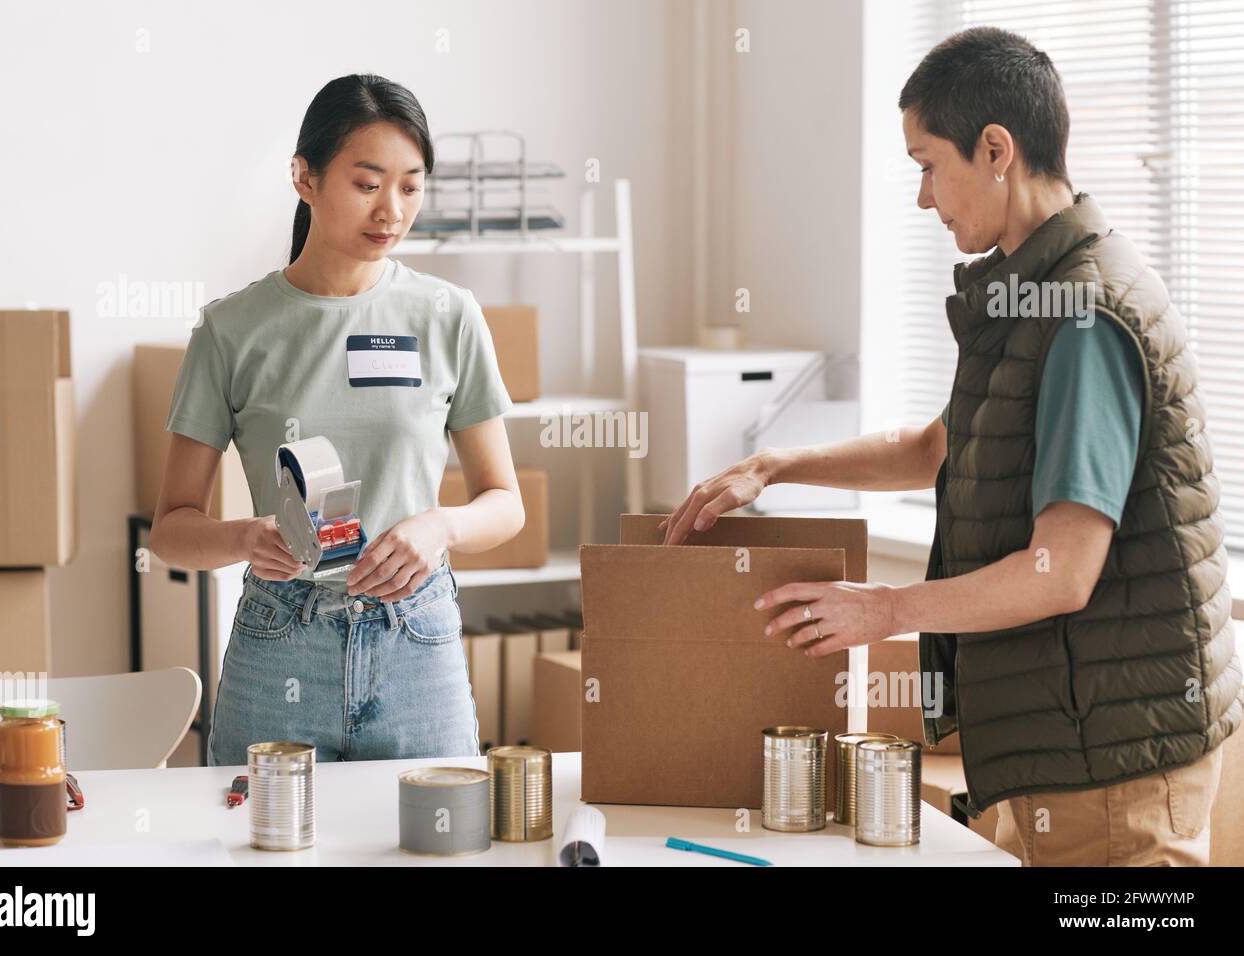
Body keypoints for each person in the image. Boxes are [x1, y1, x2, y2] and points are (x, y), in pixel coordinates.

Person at [659, 27, 1240, 866]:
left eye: (929, 165)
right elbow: (939, 444)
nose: (925, 198)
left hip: (1112, 766)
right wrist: (774, 466)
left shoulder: (1084, 317)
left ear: (996, 149)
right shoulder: (1032, 294)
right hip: (1058, 746)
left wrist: (884, 611)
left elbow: (1065, 569)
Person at [150, 74, 525, 766]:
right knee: (258, 843)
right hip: (278, 639)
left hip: (417, 639)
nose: (392, 210)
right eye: (367, 183)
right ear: (305, 178)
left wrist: (438, 525)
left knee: (437, 846)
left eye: (411, 187)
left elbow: (505, 504)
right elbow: (171, 528)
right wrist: (243, 536)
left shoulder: (448, 317)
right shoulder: (231, 331)